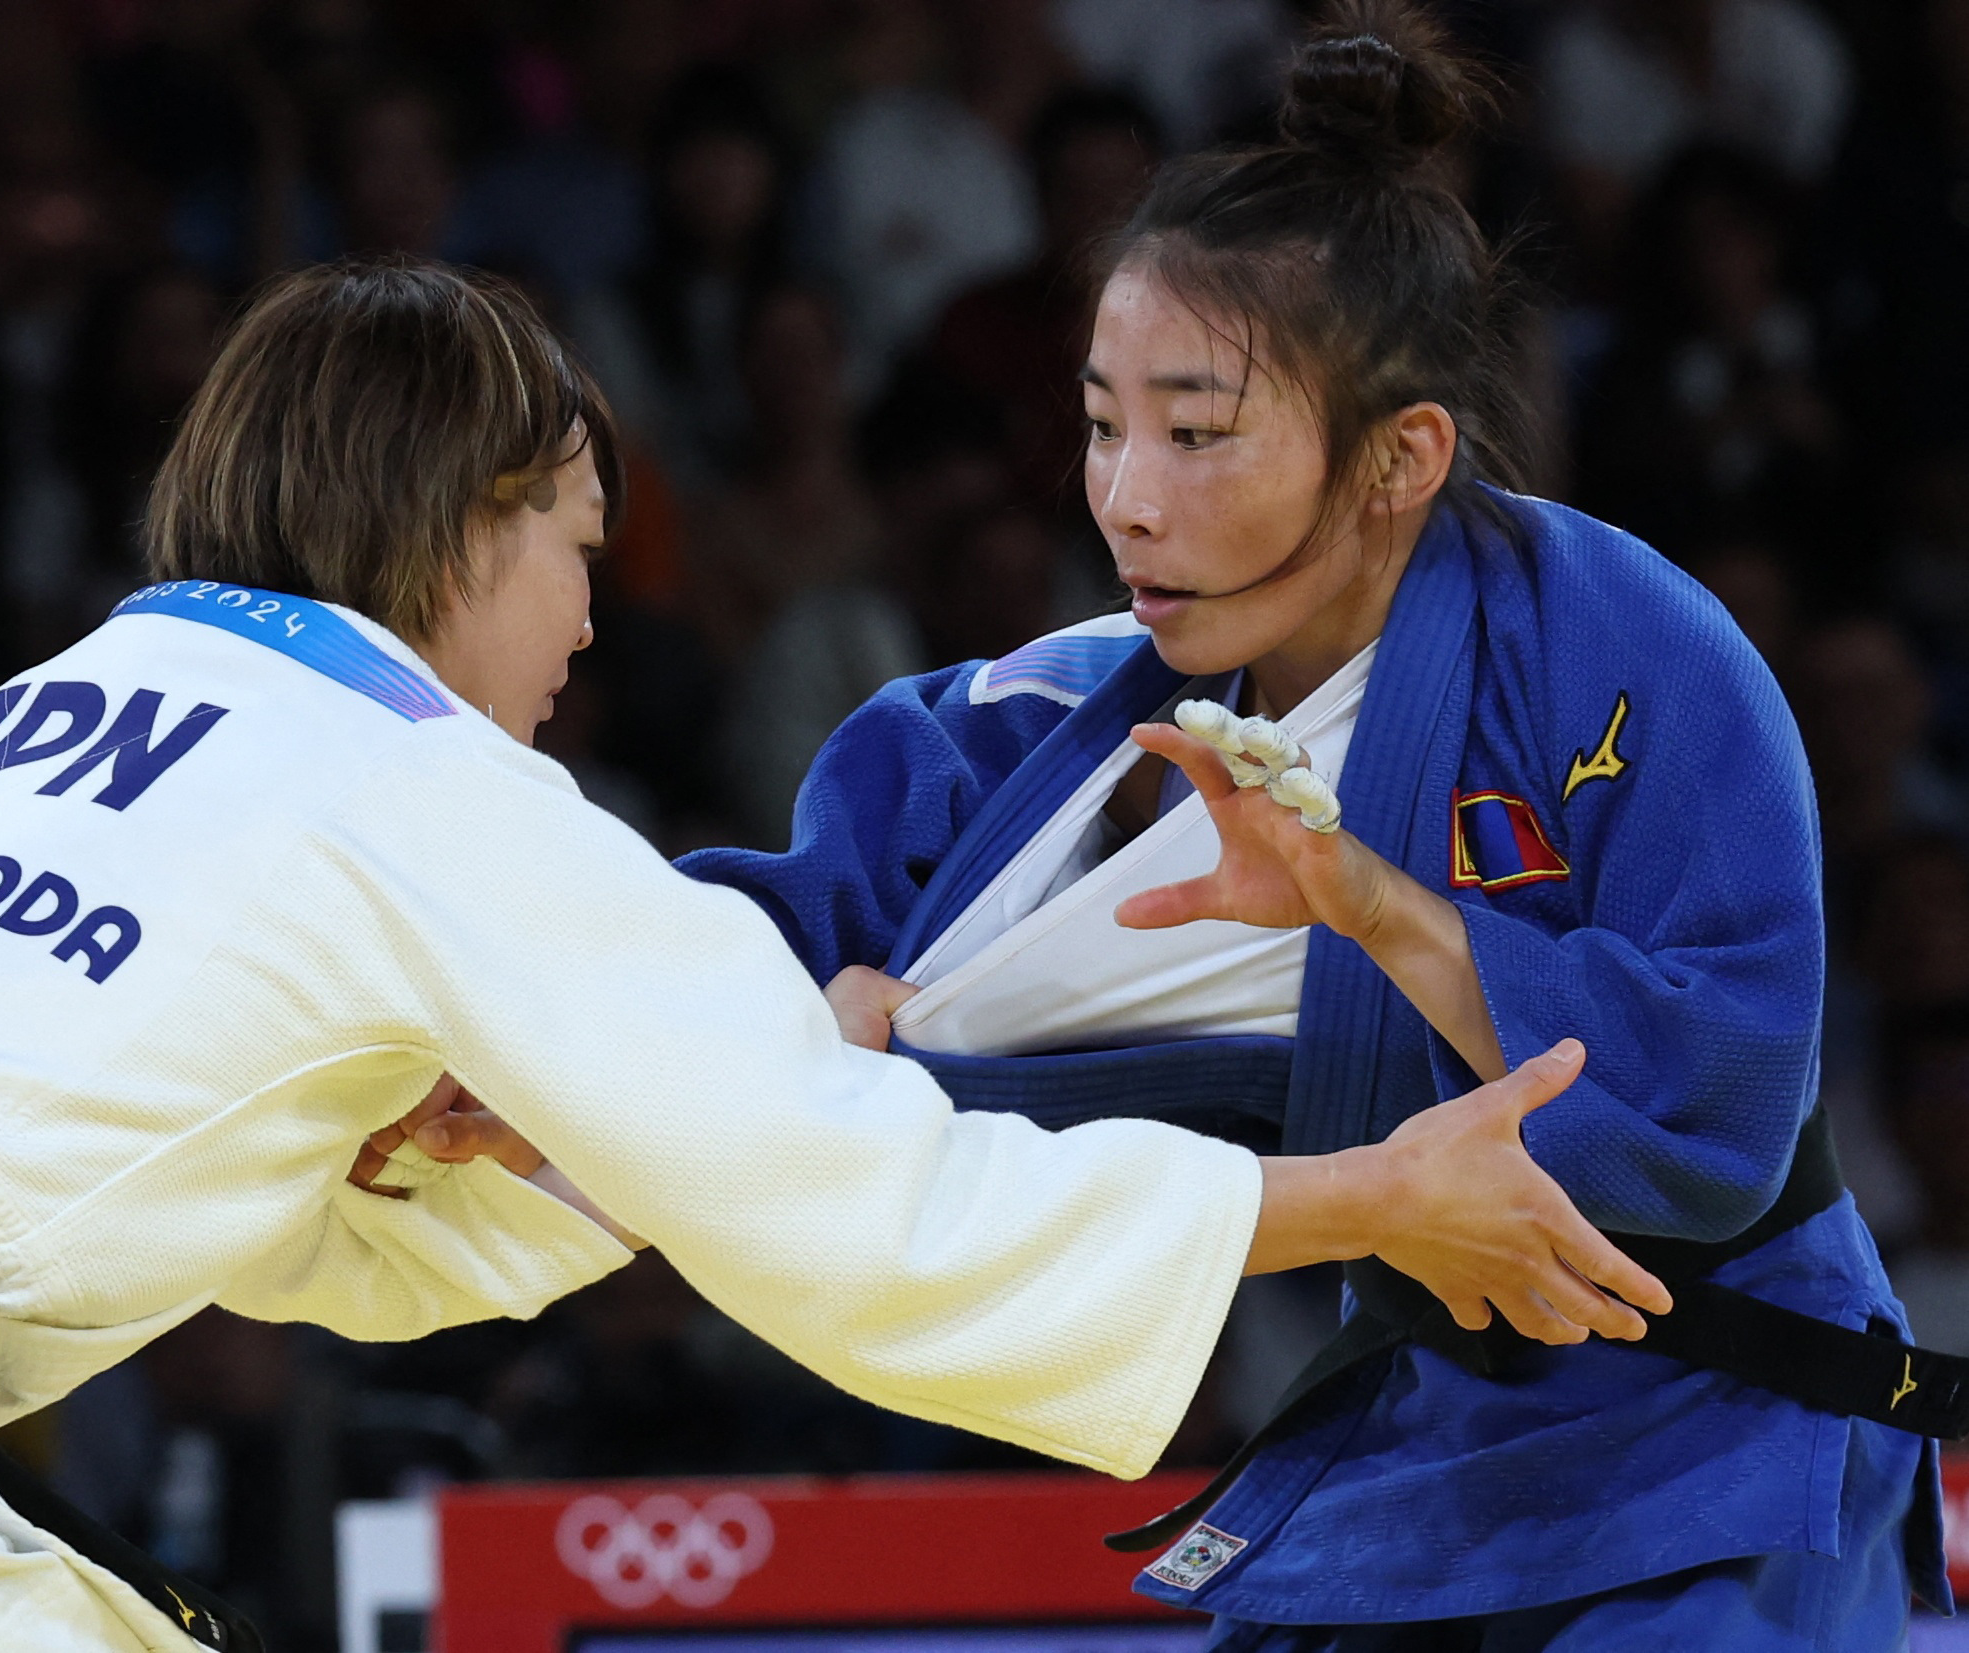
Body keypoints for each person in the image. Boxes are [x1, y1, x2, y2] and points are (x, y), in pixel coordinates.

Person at [0, 257, 1664, 1653]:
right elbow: (857, 1215)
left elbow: (278, 1226)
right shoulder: (419, 777)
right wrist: (1359, 1196)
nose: (591, 622)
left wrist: (617, 1136)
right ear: (471, 518)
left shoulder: (67, 698)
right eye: (575, 545)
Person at [683, 5, 1951, 1647]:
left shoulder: (1623, 644)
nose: (1127, 495)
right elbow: (721, 958)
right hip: (1420, 1451)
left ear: (1399, 456)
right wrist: (538, 1061)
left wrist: (1366, 901)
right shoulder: (1055, 733)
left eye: (1197, 431)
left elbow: (1721, 1094)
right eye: (1101, 422)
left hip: (1718, 1448)